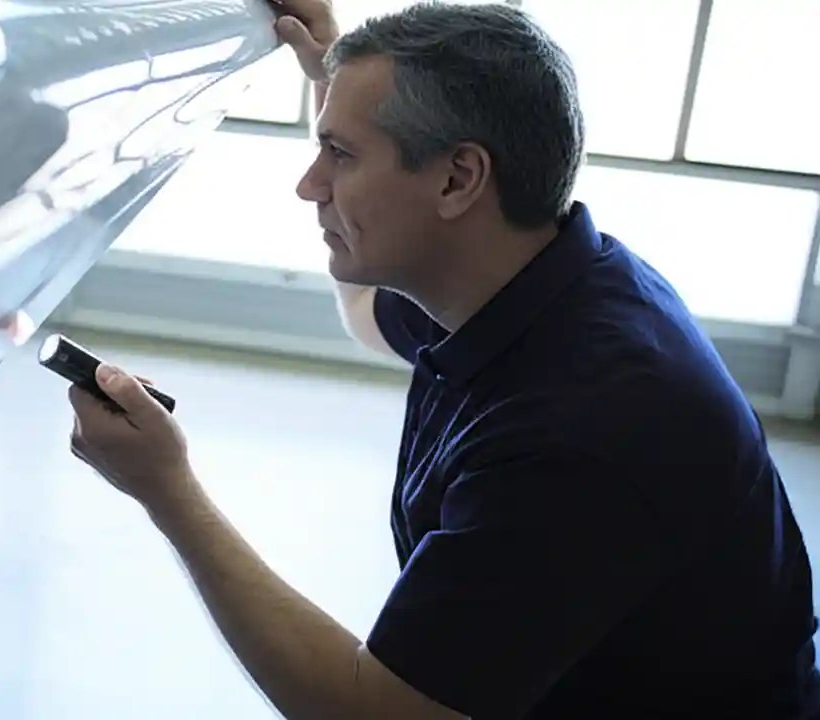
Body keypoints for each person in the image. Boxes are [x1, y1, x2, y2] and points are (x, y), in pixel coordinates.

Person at [65, 1, 820, 718]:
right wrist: (338, 83)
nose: (307, 186)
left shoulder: (585, 428)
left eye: (339, 154)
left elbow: (377, 715)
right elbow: (367, 315)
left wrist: (168, 493)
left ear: (458, 178)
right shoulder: (527, 277)